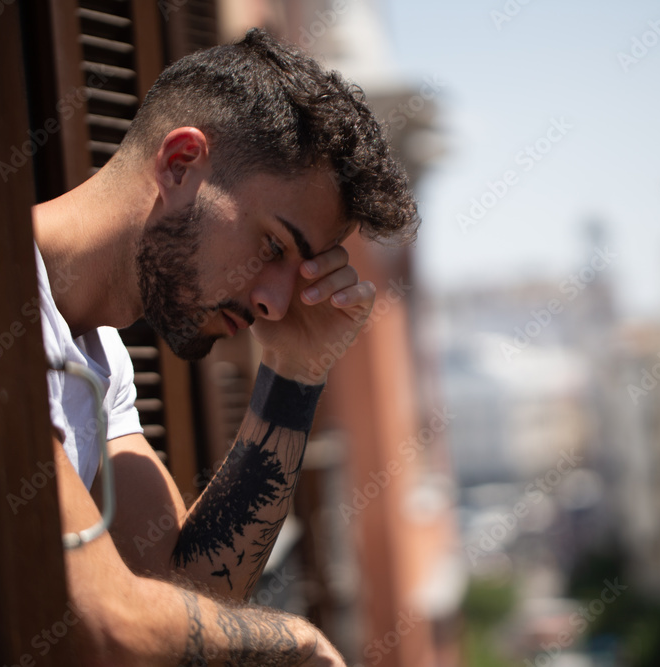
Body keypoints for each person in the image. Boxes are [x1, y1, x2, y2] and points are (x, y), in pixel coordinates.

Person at [33, 27, 418, 666]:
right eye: (273, 246)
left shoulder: (102, 362)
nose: (272, 302)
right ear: (180, 164)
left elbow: (184, 594)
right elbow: (111, 629)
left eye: (294, 273)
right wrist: (292, 643)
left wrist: (295, 371)